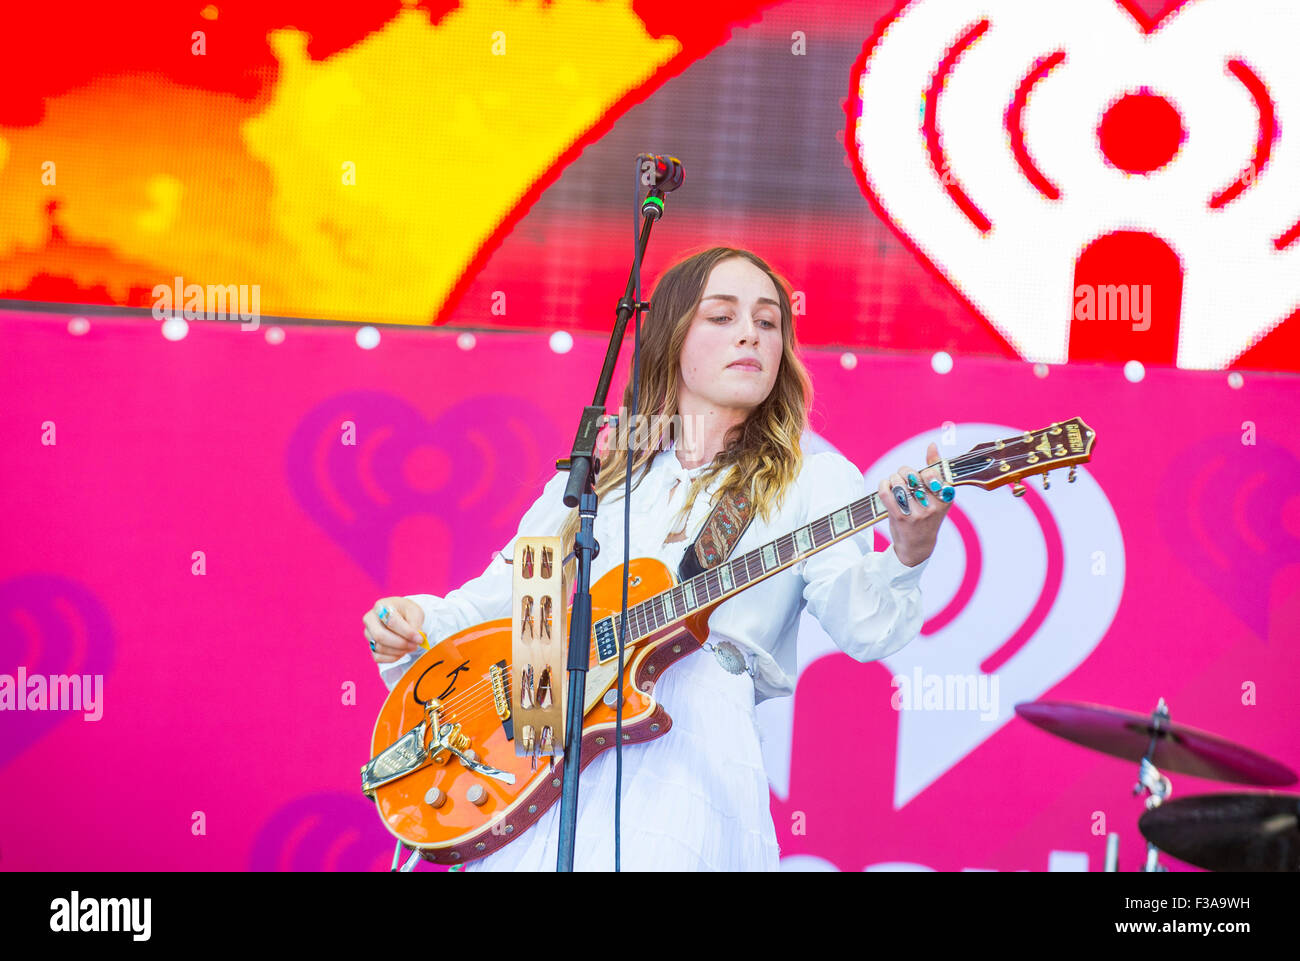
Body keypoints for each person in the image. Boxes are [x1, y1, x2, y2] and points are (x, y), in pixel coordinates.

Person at [364, 246, 953, 870]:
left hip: (691, 750)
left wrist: (911, 548)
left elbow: (863, 624)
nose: (750, 334)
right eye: (722, 317)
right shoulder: (602, 470)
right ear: (671, 337)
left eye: (768, 321)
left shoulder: (813, 477)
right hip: (551, 750)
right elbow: (512, 593)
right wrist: (415, 624)